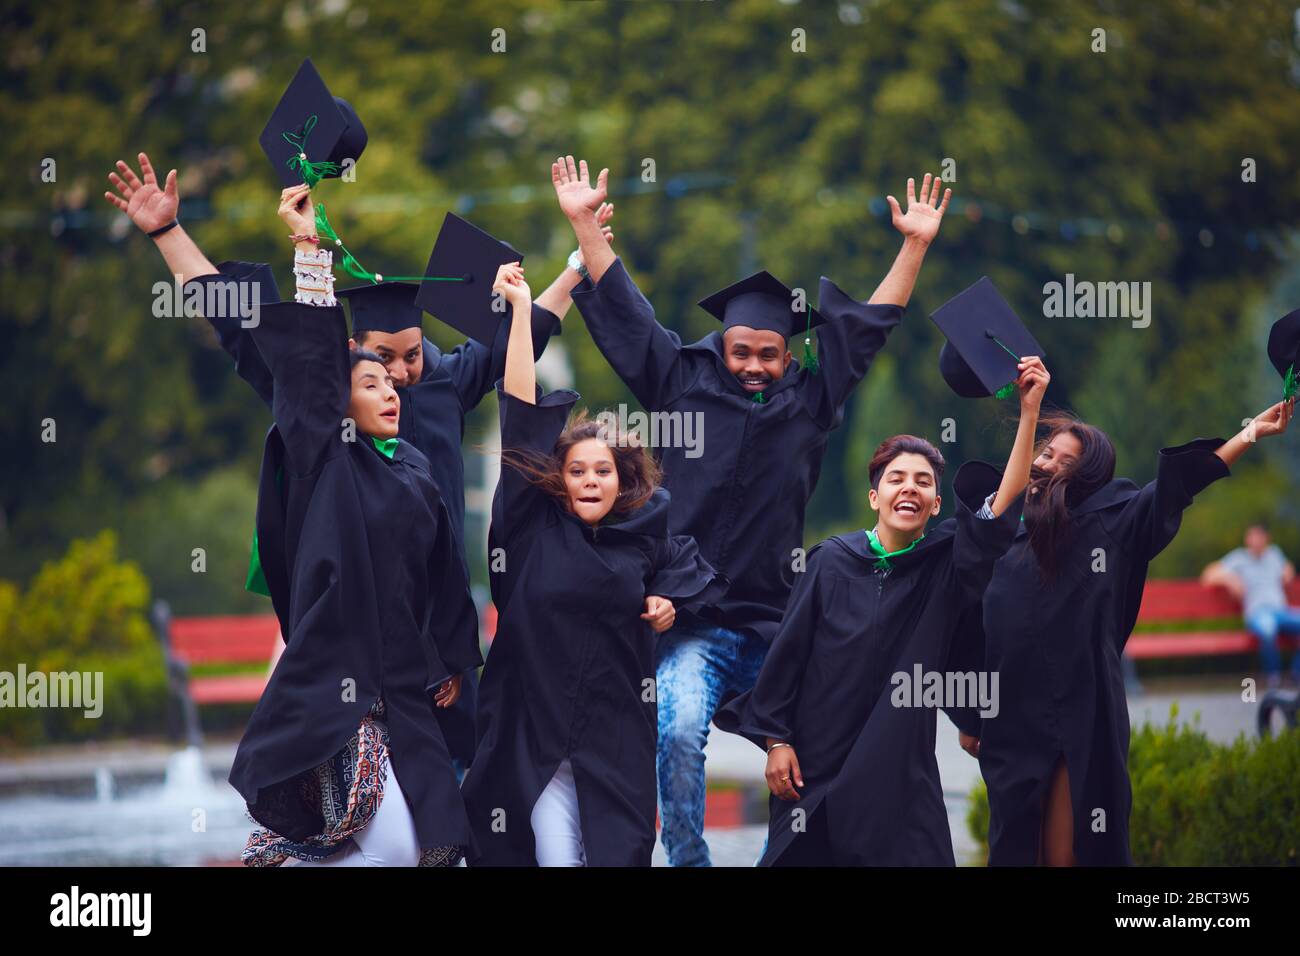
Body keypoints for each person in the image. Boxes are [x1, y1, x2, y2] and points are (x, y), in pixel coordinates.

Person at [553, 155, 951, 865]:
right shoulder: (681, 384)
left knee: (813, 739)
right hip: (694, 622)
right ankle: (688, 859)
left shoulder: (809, 400)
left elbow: (865, 330)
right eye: (741, 352)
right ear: (722, 345)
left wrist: (913, 245)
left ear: (787, 351)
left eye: (769, 354)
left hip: (779, 624)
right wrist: (587, 226)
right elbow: (627, 313)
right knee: (675, 731)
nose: (755, 367)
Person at [229, 183, 482, 867]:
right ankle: (287, 853)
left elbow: (444, 576)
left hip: (404, 685)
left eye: (393, 385)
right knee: (393, 845)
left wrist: (453, 658)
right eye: (370, 384)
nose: (390, 390)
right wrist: (309, 254)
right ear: (338, 403)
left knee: (440, 847)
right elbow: (310, 372)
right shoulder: (325, 460)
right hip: (338, 687)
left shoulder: (415, 473)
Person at [714, 355, 1047, 865]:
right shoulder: (829, 561)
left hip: (897, 773)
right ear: (875, 496)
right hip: (817, 768)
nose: (909, 487)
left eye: (922, 481)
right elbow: (788, 654)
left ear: (937, 504)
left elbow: (1000, 511)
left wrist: (1028, 415)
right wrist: (776, 740)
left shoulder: (943, 568)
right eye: (896, 479)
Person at [460, 260, 725, 866]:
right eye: (576, 470)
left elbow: (680, 577)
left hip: (613, 735)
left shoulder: (643, 533)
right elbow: (521, 415)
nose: (589, 480)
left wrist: (666, 602)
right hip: (534, 735)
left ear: (622, 479)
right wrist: (524, 312)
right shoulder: (532, 525)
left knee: (618, 853)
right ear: (560, 478)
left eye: (602, 470)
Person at [967, 398, 1294, 866]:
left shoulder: (1112, 524)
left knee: (1069, 851)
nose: (1050, 465)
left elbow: (1177, 486)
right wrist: (969, 717)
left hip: (1079, 715)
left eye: (1068, 461)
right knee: (1016, 849)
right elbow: (977, 626)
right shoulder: (1005, 541)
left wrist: (1249, 433)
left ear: (1088, 479)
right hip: (1012, 721)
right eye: (1047, 454)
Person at [1202, 525, 1300, 687]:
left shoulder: (1274, 554)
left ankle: (1295, 676)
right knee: (1268, 630)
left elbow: (1287, 567)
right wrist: (1229, 579)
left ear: (1266, 540)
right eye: (1252, 537)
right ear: (1247, 540)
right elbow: (1208, 574)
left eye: (1259, 537)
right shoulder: (1239, 558)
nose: (1255, 541)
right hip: (1258, 613)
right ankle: (1273, 677)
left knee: (1276, 624)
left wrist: (1288, 570)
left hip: (1280, 610)